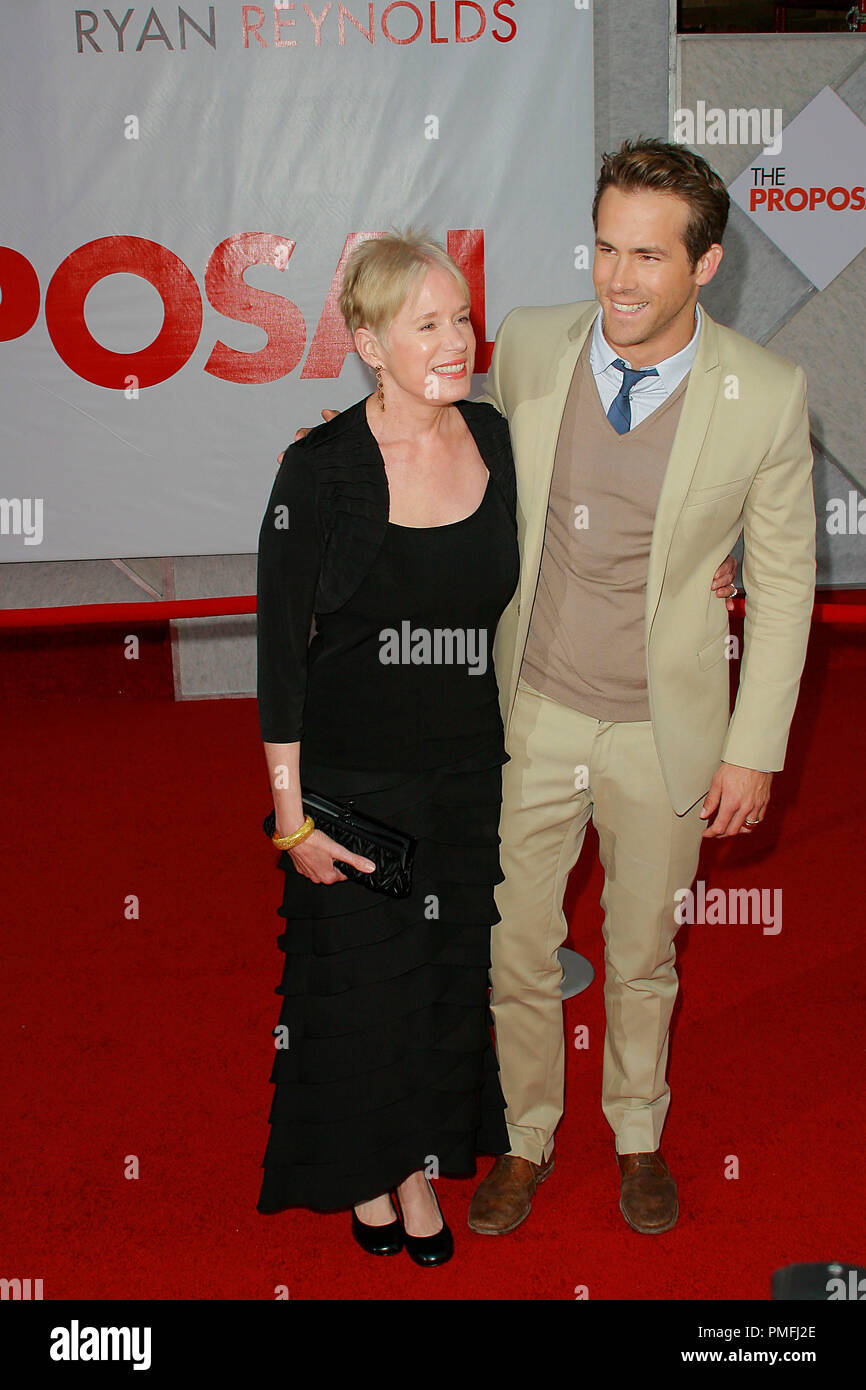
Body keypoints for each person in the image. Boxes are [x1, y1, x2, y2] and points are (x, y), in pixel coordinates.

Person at [467, 138, 816, 1238]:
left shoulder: (761, 395)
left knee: (641, 951)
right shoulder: (528, 345)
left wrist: (751, 747)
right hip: (532, 707)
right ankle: (524, 1136)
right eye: (604, 248)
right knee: (513, 942)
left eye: (647, 258)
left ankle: (634, 1133)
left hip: (662, 729)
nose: (616, 279)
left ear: (704, 265)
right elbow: (466, 474)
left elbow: (785, 579)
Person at [254, 230, 521, 1266]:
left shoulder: (492, 438)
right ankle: (383, 1176)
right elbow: (279, 662)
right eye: (426, 324)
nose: (456, 340)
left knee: (441, 978)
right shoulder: (316, 470)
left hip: (467, 769)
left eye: (460, 316)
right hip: (350, 777)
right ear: (368, 342)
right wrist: (291, 821)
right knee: (359, 989)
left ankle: (415, 1157)